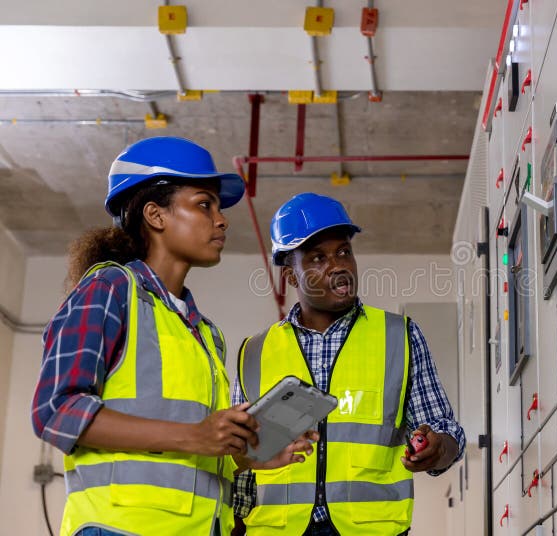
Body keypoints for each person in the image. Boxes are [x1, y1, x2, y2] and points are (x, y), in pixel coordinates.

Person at [30, 137, 316, 536]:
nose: (221, 219)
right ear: (155, 215)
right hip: (120, 528)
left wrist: (245, 455)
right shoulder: (110, 290)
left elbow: (193, 445)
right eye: (204, 204)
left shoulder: (204, 332)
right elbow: (55, 411)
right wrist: (197, 435)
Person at [232, 192, 465, 536]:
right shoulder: (253, 351)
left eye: (343, 252)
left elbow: (445, 433)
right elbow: (239, 460)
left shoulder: (398, 336)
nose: (338, 265)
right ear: (292, 277)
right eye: (317, 258)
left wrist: (437, 447)